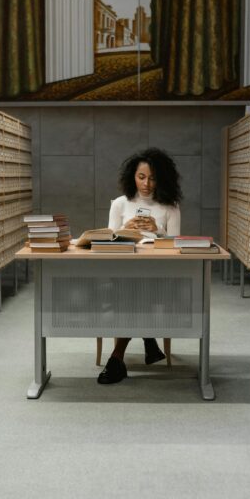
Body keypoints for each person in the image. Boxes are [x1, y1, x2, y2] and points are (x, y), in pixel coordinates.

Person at [98, 147, 183, 384]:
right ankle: (147, 338)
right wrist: (125, 230)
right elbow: (109, 239)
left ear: (162, 178)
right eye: (141, 177)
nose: (146, 184)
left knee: (133, 294)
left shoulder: (171, 206)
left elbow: (176, 246)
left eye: (153, 178)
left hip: (158, 272)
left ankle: (117, 358)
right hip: (125, 269)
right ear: (132, 177)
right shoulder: (120, 204)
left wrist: (159, 230)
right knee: (133, 291)